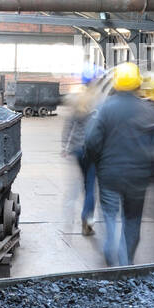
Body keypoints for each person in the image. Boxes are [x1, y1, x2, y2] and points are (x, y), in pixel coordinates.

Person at [82, 62, 154, 266]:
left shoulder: (105, 109)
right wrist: (150, 171)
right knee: (132, 219)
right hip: (138, 177)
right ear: (138, 85)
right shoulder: (149, 111)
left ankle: (110, 252)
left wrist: (97, 164)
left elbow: (91, 142)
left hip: (110, 174)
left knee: (109, 213)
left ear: (115, 84)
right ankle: (127, 262)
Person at [61, 68, 103, 236]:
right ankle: (87, 220)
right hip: (94, 149)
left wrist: (65, 146)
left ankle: (69, 218)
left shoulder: (77, 100)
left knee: (79, 183)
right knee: (90, 186)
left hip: (77, 149)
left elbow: (69, 125)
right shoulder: (100, 101)